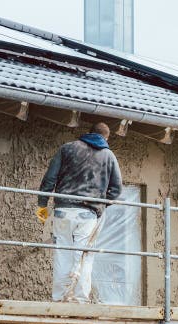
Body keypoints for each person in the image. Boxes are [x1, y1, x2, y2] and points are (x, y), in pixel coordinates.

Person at [37, 123, 123, 302]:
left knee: (62, 254)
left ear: (89, 133)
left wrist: (42, 205)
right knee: (84, 256)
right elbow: (116, 189)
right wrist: (100, 205)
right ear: (106, 138)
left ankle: (59, 299)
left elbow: (49, 179)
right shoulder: (108, 155)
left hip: (63, 210)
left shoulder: (67, 148)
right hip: (88, 213)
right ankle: (80, 301)